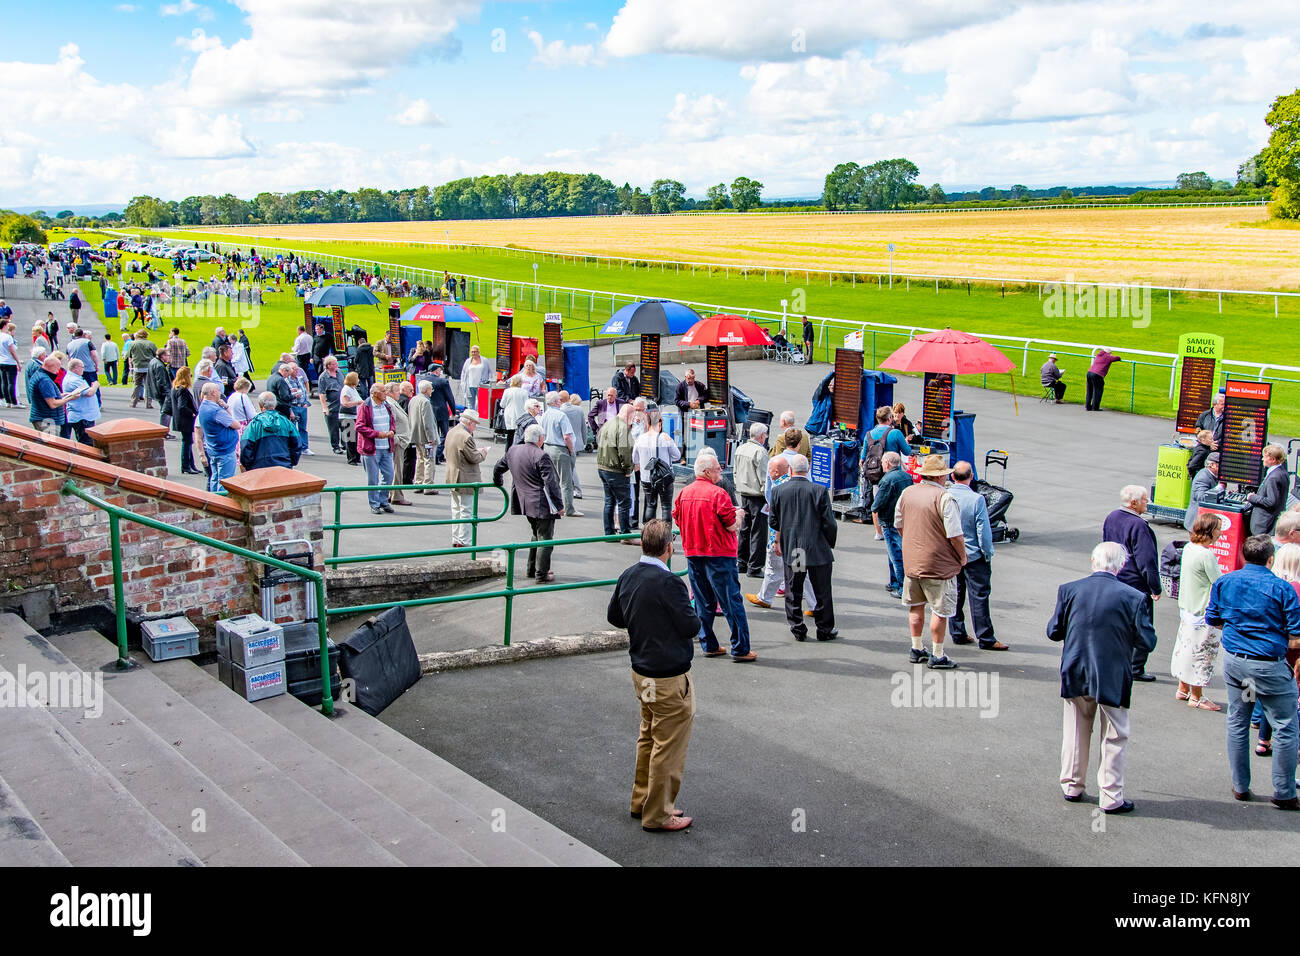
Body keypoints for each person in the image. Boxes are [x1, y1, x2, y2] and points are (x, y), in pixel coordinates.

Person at [1049, 542, 1158, 814]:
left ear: (1092, 561)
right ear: (1121, 566)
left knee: (1075, 728)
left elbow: (1054, 630)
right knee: (1114, 735)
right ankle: (1110, 795)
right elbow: (1147, 640)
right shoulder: (1133, 597)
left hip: (1076, 668)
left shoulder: (1069, 589)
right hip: (1112, 673)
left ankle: (1072, 785)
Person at [607, 518, 697, 833]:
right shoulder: (670, 583)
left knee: (648, 735)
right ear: (669, 548)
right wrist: (689, 602)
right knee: (668, 744)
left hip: (641, 671)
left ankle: (642, 800)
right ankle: (658, 813)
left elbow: (614, 615)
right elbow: (690, 626)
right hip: (667, 675)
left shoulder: (629, 575)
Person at [1205, 535, 1300, 809]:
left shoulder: (1225, 582)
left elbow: (1213, 618)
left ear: (1244, 556)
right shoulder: (1282, 589)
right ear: (1271, 559)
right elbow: (1295, 629)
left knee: (1238, 719)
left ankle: (1240, 786)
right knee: (1284, 725)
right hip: (1269, 666)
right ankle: (1283, 792)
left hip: (1237, 664)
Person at [675, 448, 755, 662]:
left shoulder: (684, 493)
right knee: (731, 601)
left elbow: (677, 518)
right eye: (718, 468)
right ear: (708, 472)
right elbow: (731, 526)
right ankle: (740, 648)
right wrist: (739, 515)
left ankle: (708, 643)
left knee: (703, 602)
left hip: (694, 552)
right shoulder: (718, 494)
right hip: (719, 553)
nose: (721, 471)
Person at [896, 455, 966, 669]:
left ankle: (916, 647)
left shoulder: (907, 493)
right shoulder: (944, 498)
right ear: (941, 476)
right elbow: (955, 534)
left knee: (915, 607)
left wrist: (911, 541)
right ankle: (937, 653)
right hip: (938, 564)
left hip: (912, 561)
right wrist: (962, 557)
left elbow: (898, 523)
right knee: (940, 610)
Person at [769, 453, 837, 642]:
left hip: (796, 551)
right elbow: (829, 523)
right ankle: (824, 629)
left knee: (794, 590)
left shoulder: (779, 491)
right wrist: (829, 542)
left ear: (790, 470)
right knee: (822, 591)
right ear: (807, 470)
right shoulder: (819, 490)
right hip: (817, 550)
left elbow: (774, 520)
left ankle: (798, 627)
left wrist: (780, 539)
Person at [1101, 485, 1162, 680]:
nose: (1148, 503)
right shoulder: (1139, 526)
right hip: (1136, 584)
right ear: (1134, 503)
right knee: (1141, 625)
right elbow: (1147, 560)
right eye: (1145, 500)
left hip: (1114, 578)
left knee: (1118, 623)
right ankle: (1136, 667)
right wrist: (1155, 586)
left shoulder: (1112, 517)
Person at [947, 461, 1008, 651]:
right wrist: (987, 553)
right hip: (973, 555)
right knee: (979, 596)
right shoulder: (976, 499)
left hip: (951, 555)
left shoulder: (945, 496)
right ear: (971, 476)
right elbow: (983, 530)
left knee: (955, 594)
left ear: (952, 476)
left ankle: (957, 632)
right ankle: (985, 637)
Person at [493, 423, 564, 582]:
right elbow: (551, 483)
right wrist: (559, 506)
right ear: (540, 439)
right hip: (541, 503)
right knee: (545, 539)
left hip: (524, 501)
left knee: (536, 535)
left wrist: (497, 481)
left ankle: (532, 570)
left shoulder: (513, 450)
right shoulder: (540, 455)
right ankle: (541, 574)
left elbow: (498, 467)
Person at [1170, 514, 1225, 711]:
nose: (1220, 533)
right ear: (1210, 531)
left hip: (1187, 607)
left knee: (1185, 648)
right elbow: (1218, 583)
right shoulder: (1206, 555)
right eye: (1218, 529)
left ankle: (1182, 688)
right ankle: (1197, 696)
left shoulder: (1189, 548)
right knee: (1202, 653)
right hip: (1203, 610)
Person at [863, 406, 912, 538]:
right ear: (890, 418)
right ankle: (897, 529)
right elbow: (907, 451)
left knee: (877, 501)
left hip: (875, 473)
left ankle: (879, 532)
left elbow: (863, 458)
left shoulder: (869, 434)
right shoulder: (895, 433)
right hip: (894, 473)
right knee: (897, 501)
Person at [445, 410, 489, 547]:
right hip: (465, 477)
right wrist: (483, 452)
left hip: (452, 475)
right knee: (466, 511)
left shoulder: (452, 432)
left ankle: (456, 538)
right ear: (469, 423)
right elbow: (474, 458)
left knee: (456, 509)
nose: (475, 426)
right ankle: (464, 541)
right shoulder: (466, 437)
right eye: (475, 424)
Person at [871, 451, 911, 599]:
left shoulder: (887, 480)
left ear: (887, 463)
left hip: (889, 520)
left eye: (882, 462)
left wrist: (874, 508)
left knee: (896, 555)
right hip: (903, 519)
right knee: (894, 553)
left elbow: (877, 504)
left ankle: (902, 587)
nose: (881, 464)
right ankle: (894, 582)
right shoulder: (906, 476)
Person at [733, 422, 770, 578]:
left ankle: (741, 561)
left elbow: (735, 471)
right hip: (757, 496)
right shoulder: (760, 452)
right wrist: (767, 496)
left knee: (744, 529)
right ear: (761, 436)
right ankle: (754, 566)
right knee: (759, 532)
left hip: (744, 493)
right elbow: (764, 477)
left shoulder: (741, 448)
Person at [356, 383, 399, 515]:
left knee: (389, 474)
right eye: (383, 391)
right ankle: (374, 504)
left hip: (386, 446)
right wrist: (376, 434)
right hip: (371, 448)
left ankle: (383, 500)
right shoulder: (366, 406)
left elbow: (392, 421)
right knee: (373, 479)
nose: (385, 393)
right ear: (375, 393)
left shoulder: (386, 406)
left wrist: (392, 430)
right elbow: (359, 426)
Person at [633, 408, 680, 525]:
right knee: (666, 506)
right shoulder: (665, 438)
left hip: (646, 477)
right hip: (664, 477)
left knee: (650, 505)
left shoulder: (640, 439)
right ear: (660, 422)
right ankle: (666, 535)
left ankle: (650, 534)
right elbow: (677, 456)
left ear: (647, 423)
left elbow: (635, 459)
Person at [597, 403, 636, 539]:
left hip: (603, 467)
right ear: (629, 415)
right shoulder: (623, 427)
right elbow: (624, 451)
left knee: (609, 501)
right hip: (615, 469)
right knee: (624, 502)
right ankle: (625, 533)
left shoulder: (608, 424)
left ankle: (609, 532)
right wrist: (628, 469)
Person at [539, 391, 580, 517]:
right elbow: (567, 436)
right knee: (566, 482)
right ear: (557, 402)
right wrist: (571, 450)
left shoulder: (545, 415)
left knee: (552, 480)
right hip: (560, 449)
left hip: (547, 448)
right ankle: (569, 509)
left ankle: (554, 506)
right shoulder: (561, 415)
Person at [240, 391, 302, 471]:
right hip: (283, 467)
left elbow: (246, 447)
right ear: (275, 404)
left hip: (259, 468)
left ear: (260, 405)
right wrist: (291, 461)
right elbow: (297, 444)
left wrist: (248, 465)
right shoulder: (286, 423)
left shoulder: (254, 425)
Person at [197, 382, 239, 494]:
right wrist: (226, 408)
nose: (220, 393)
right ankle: (222, 504)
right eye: (218, 390)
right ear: (213, 392)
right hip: (224, 450)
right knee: (225, 481)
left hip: (213, 448)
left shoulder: (203, 407)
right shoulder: (216, 411)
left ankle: (213, 500)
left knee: (215, 478)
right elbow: (236, 424)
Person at [1247, 444, 1289, 536]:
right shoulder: (1283, 472)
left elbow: (1271, 501)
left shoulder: (1273, 477)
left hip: (1265, 524)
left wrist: (1253, 497)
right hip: (1272, 521)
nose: (1262, 459)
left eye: (1264, 457)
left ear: (1273, 459)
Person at [385, 382, 414, 506]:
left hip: (399, 441)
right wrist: (396, 439)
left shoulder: (393, 402)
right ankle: (396, 495)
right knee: (397, 470)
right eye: (397, 391)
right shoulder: (390, 403)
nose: (399, 393)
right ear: (390, 392)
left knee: (396, 469)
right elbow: (389, 423)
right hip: (397, 442)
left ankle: (392, 494)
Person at [408, 380, 440, 492]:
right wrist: (431, 438)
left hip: (416, 436)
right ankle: (428, 485)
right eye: (431, 389)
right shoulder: (425, 402)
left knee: (420, 459)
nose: (431, 391)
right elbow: (428, 423)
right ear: (427, 390)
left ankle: (418, 483)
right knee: (429, 460)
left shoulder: (413, 400)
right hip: (426, 438)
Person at [60, 359, 99, 445]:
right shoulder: (74, 380)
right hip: (82, 417)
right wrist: (95, 385)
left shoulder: (74, 378)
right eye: (82, 367)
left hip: (84, 415)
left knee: (87, 441)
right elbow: (89, 393)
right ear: (76, 368)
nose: (83, 369)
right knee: (87, 443)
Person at [169, 367, 200, 474]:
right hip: (185, 420)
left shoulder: (175, 388)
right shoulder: (182, 390)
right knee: (187, 443)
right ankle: (186, 466)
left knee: (188, 442)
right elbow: (181, 406)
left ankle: (191, 465)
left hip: (180, 420)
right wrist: (192, 413)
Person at [426, 363, 457, 464]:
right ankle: (437, 454)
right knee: (444, 434)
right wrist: (453, 411)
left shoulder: (423, 380)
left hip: (429, 411)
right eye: (439, 370)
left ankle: (440, 455)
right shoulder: (442, 381)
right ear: (436, 371)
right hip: (441, 411)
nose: (440, 372)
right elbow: (450, 398)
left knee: (432, 434)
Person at [1184, 452, 1223, 530]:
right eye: (1220, 465)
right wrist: (1219, 488)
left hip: (1205, 521)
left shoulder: (1212, 475)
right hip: (1197, 522)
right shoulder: (1203, 477)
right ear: (1212, 465)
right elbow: (1201, 497)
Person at [317, 355, 344, 454]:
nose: (337, 365)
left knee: (345, 425)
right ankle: (335, 446)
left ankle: (345, 444)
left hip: (343, 406)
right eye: (334, 364)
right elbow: (322, 393)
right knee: (333, 428)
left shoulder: (340, 373)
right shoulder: (323, 377)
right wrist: (325, 407)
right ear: (328, 366)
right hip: (332, 407)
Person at [125, 331, 158, 408]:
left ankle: (133, 402)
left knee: (136, 385)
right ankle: (148, 403)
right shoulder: (150, 344)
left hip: (138, 366)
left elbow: (128, 354)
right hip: (148, 366)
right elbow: (156, 354)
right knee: (148, 385)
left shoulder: (133, 343)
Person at [340, 371, 363, 465]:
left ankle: (357, 457)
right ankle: (351, 459)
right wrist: (357, 403)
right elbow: (345, 403)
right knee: (350, 439)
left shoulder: (353, 388)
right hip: (347, 417)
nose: (358, 380)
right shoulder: (346, 390)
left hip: (355, 416)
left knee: (357, 438)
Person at [0, 322, 21, 407]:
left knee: (4, 382)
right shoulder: (8, 337)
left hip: (1, 361)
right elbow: (12, 351)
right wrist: (18, 362)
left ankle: (7, 401)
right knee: (11, 383)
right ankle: (13, 402)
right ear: (4, 326)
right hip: (9, 362)